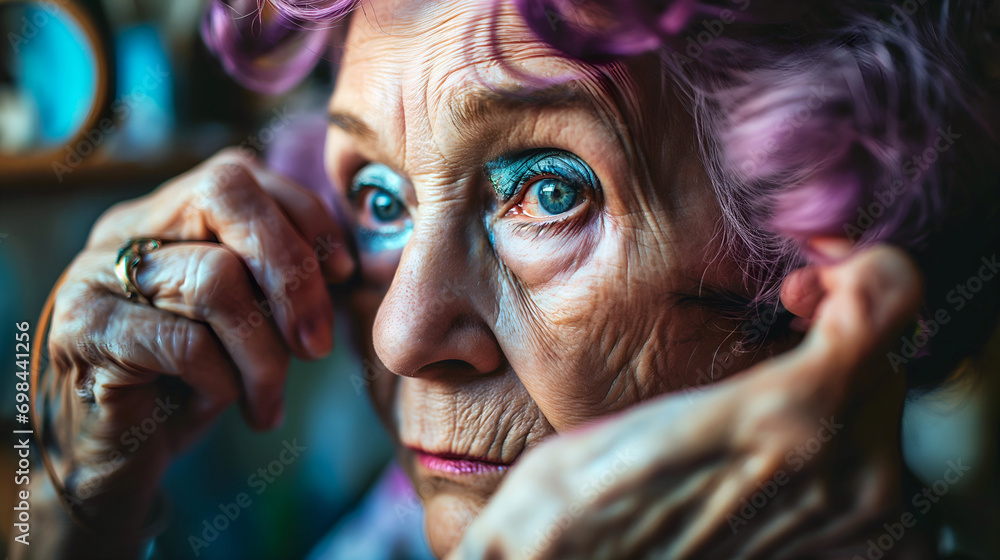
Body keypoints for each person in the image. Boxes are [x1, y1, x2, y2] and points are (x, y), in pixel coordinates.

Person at [18, 0, 1000, 558]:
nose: (401, 335)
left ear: (822, 270)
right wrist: (70, 506)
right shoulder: (396, 529)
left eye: (548, 190)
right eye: (381, 198)